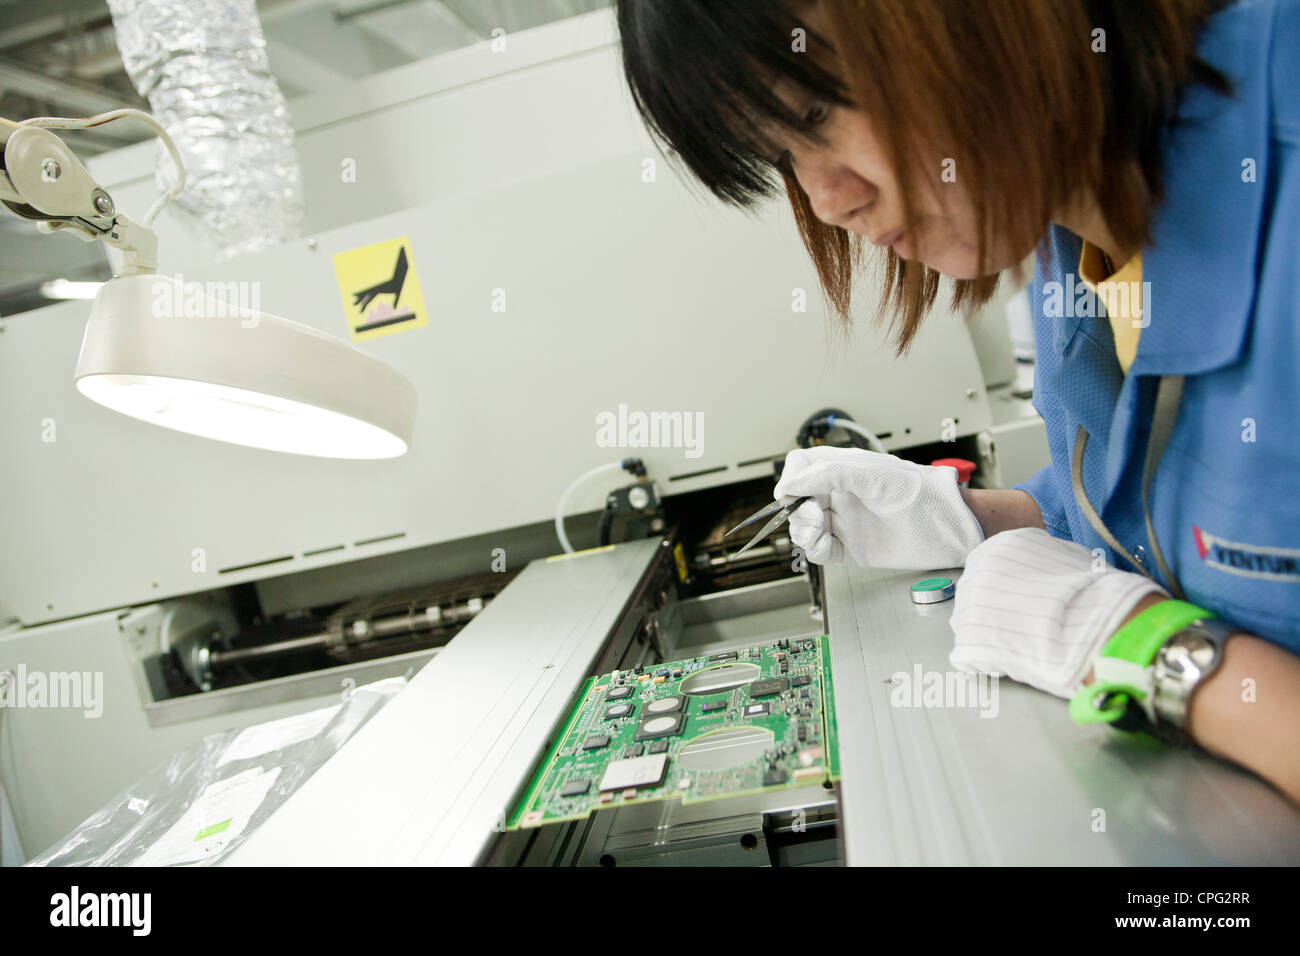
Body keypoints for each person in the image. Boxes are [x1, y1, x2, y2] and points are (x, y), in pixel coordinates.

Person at [615, 0, 1300, 803]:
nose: (827, 200)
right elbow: (1162, 506)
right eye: (782, 157)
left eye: (817, 110)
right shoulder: (1070, 229)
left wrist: (1156, 652)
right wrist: (969, 517)